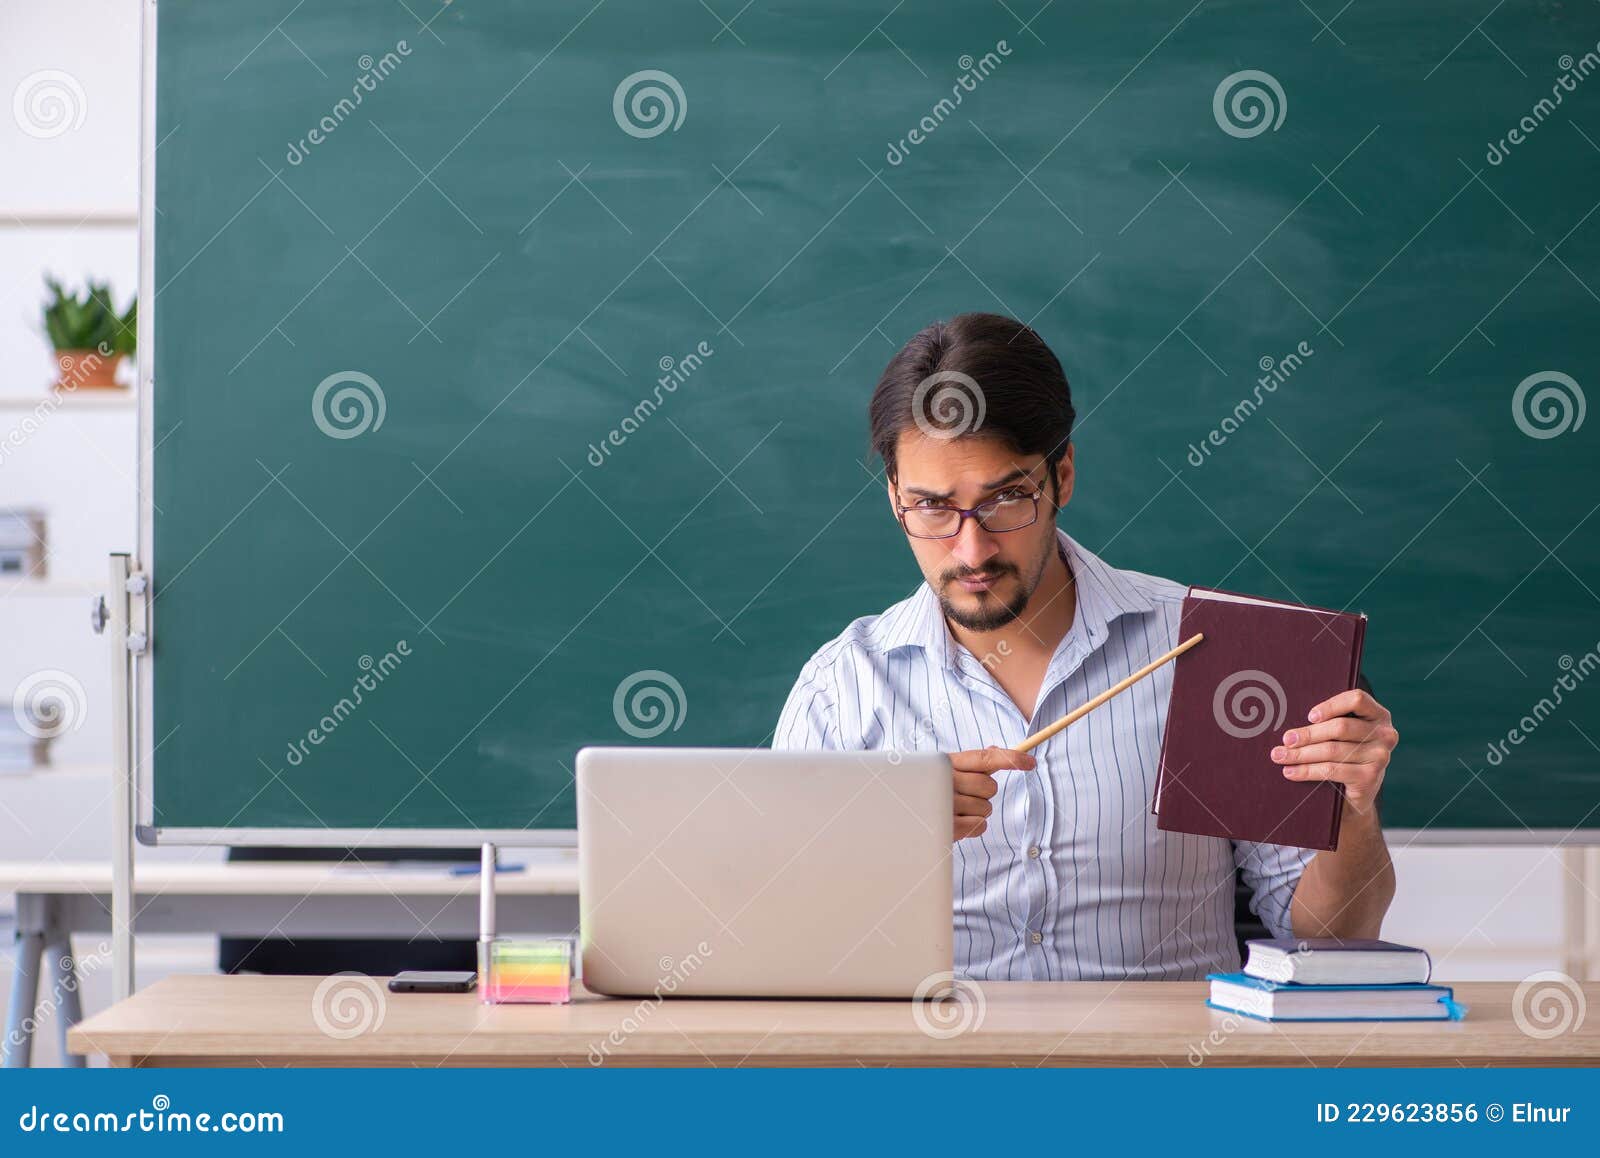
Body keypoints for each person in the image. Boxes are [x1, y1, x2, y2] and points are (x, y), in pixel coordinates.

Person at [774, 312, 1398, 980]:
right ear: (895, 497)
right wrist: (876, 840)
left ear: (1062, 476)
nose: (972, 548)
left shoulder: (1214, 651)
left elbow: (1331, 939)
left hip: (1167, 1077)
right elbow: (775, 943)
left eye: (1006, 499)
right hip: (932, 1075)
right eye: (932, 508)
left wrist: (1353, 814)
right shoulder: (842, 690)